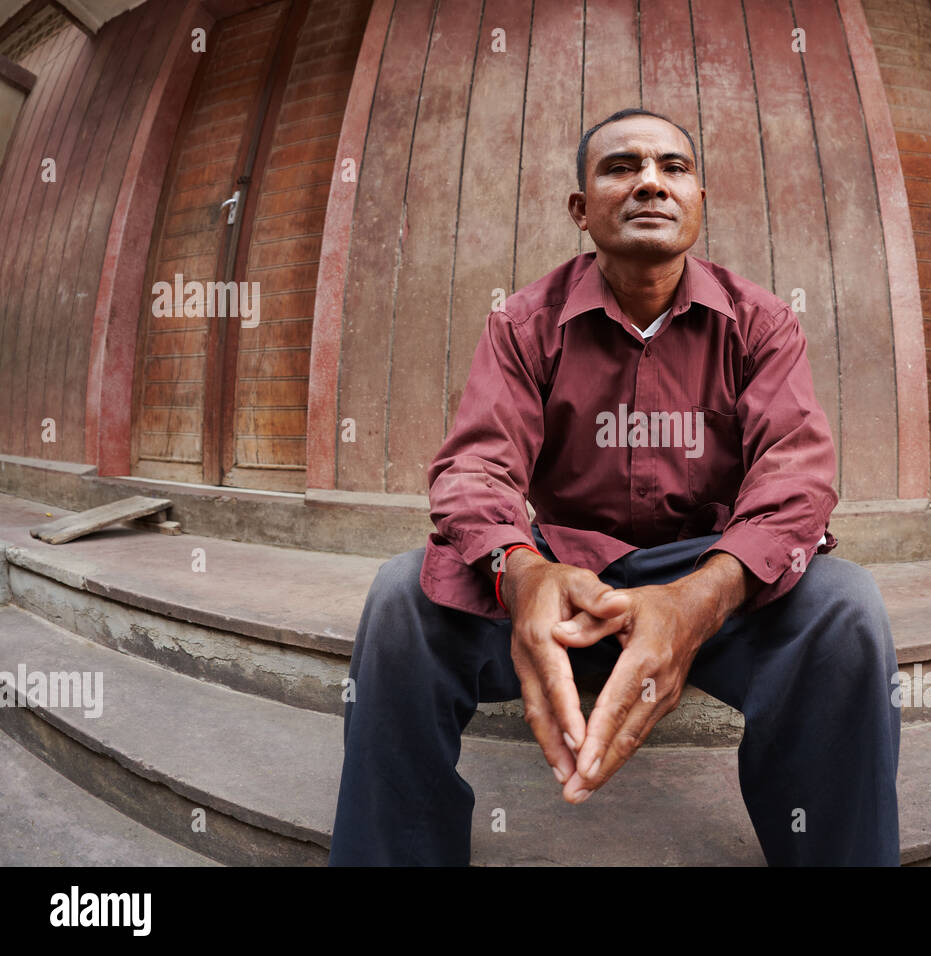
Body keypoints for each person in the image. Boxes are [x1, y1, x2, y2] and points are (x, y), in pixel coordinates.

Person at [328, 108, 901, 866]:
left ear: (699, 199)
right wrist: (522, 571)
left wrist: (700, 598)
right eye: (621, 168)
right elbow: (476, 467)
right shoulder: (523, 322)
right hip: (564, 592)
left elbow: (796, 476)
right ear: (581, 209)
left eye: (673, 167)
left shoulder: (761, 323)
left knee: (845, 607)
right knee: (400, 599)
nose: (650, 184)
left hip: (708, 585)